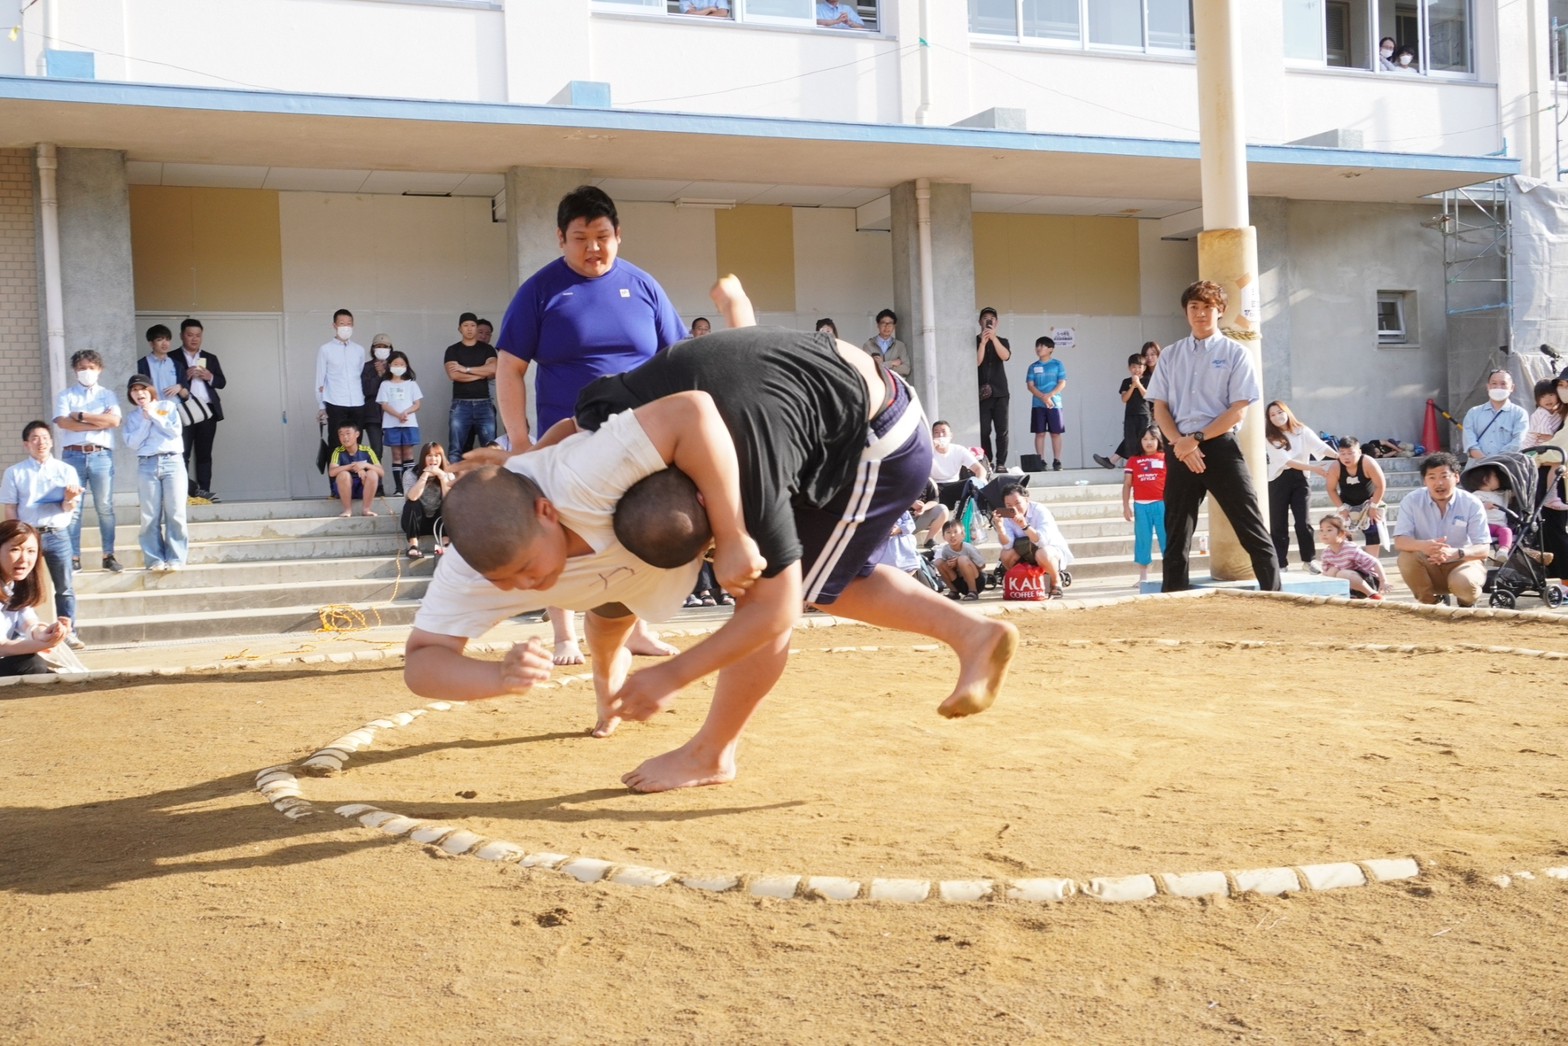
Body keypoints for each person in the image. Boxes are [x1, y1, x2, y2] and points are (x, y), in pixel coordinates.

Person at [414, 276, 1019, 793]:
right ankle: (972, 633)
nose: (531, 586)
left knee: (785, 589)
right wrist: (497, 676)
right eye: (512, 581)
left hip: (874, 431)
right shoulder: (583, 458)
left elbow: (774, 611)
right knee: (827, 579)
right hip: (778, 390)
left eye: (528, 569)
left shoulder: (740, 461)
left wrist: (678, 657)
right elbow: (577, 422)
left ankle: (712, 752)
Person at [493, 184, 686, 666]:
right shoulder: (540, 290)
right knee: (564, 532)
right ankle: (564, 634)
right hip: (568, 438)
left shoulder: (644, 286)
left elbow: (680, 357)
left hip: (643, 438)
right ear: (561, 238)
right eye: (580, 237)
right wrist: (520, 440)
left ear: (618, 234)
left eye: (602, 236)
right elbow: (509, 368)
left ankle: (637, 628)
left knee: (642, 528)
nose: (593, 248)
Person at [1146, 280, 1280, 593]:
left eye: (1208, 307)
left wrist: (1196, 438)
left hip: (1219, 447)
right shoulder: (1170, 355)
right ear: (1185, 311)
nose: (1201, 313)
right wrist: (1181, 443)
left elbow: (1239, 410)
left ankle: (1275, 596)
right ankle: (1174, 599)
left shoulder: (1236, 353)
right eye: (1194, 307)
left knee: (1251, 527)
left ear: (1220, 311)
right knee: (1176, 532)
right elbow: (1160, 407)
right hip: (1179, 447)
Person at [1, 421, 83, 649]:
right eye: (35, 438)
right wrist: (13, 538)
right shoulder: (15, 472)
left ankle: (68, 631)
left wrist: (68, 498)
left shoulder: (66, 470)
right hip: (26, 537)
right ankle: (22, 631)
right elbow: (10, 508)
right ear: (26, 444)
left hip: (57, 533)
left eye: (45, 438)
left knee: (64, 586)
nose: (41, 442)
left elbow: (70, 508)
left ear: (52, 442)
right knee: (20, 584)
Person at [53, 349, 122, 574]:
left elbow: (114, 421)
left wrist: (81, 416)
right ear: (75, 371)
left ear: (99, 370)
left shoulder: (107, 394)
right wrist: (97, 421)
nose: (86, 372)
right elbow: (64, 423)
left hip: (101, 454)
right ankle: (73, 557)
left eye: (91, 368)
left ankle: (108, 555)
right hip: (73, 455)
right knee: (73, 508)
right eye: (82, 368)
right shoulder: (66, 395)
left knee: (105, 507)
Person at [1393, 452, 1490, 606]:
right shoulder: (1411, 501)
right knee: (1406, 558)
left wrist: (1456, 553)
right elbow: (1400, 541)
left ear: (1456, 477)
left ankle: (1466, 604)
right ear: (1424, 480)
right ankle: (1430, 604)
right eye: (1432, 477)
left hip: (1463, 562)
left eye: (1444, 476)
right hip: (1429, 563)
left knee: (1465, 584)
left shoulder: (1472, 503)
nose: (1439, 483)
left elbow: (1484, 549)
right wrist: (1424, 546)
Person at [122, 374, 188, 572]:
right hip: (147, 464)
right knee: (149, 515)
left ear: (151, 390)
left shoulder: (167, 407)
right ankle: (154, 559)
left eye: (142, 388)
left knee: (175, 512)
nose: (139, 393)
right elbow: (132, 443)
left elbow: (174, 431)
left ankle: (176, 558)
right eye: (134, 390)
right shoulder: (133, 417)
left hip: (172, 462)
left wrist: (154, 416)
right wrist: (144, 421)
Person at [1264, 400, 1333, 573]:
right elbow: (1287, 461)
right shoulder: (1269, 436)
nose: (1277, 417)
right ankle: (1281, 563)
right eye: (1272, 415)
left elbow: (1321, 447)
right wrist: (1313, 468)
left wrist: (1342, 456)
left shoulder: (1301, 430)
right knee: (1278, 524)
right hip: (1278, 480)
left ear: (1287, 411)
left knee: (1303, 522)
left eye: (1279, 412)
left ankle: (1309, 560)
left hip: (1300, 480)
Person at [0, 520, 73, 677]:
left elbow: (29, 623)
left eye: (31, 551)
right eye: (15, 549)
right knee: (32, 664)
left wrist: (47, 633)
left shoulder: (14, 585)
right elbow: (2, 647)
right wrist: (44, 644)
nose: (24, 559)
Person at [171, 319, 225, 502]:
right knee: (182, 453)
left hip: (207, 410)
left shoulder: (210, 357)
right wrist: (185, 376)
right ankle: (184, 493)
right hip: (183, 410)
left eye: (198, 335)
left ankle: (205, 492)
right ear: (181, 336)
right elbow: (168, 384)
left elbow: (222, 382)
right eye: (189, 335)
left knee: (204, 454)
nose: (194, 339)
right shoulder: (172, 357)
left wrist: (209, 376)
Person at [993, 482, 1071, 598]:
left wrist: (1025, 526)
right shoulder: (1007, 516)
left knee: (1043, 553)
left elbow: (1043, 541)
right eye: (1008, 505)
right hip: (1023, 550)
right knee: (1005, 554)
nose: (1013, 508)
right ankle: (1020, 580)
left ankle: (1056, 581)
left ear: (1026, 499)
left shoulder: (1039, 510)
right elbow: (1007, 545)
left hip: (1049, 550)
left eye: (1017, 503)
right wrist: (1000, 529)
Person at [443, 312, 498, 462]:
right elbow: (454, 375)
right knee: (456, 449)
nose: (469, 329)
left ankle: (490, 483)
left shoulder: (487, 349)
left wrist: (466, 369)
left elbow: (493, 369)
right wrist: (481, 374)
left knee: (490, 448)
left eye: (473, 325)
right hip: (460, 404)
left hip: (484, 403)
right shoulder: (452, 350)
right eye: (466, 325)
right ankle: (453, 484)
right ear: (460, 328)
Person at [1323, 436, 1388, 557]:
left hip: (1369, 501)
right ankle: (1348, 561)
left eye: (1350, 453)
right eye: (1342, 453)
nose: (1346, 457)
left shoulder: (1368, 463)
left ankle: (1372, 565)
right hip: (1346, 503)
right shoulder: (1335, 467)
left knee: (1373, 529)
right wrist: (1342, 509)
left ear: (1359, 452)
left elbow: (1381, 485)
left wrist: (1374, 506)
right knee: (1343, 533)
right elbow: (1331, 489)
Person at [1121, 426, 1167, 586]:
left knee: (1166, 539)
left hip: (1162, 504)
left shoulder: (1165, 457)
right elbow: (1127, 484)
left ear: (1159, 440)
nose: (1148, 442)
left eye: (1152, 439)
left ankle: (1170, 574)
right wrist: (1126, 506)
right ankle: (1143, 577)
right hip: (1141, 506)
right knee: (1142, 540)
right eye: (1145, 439)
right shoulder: (1133, 460)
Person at [1094, 352, 1153, 470]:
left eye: (1139, 367)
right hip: (1130, 415)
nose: (1137, 370)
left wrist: (1138, 384)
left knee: (1144, 438)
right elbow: (1124, 399)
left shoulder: (1148, 380)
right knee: (1130, 438)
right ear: (1129, 368)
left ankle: (1118, 461)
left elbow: (1148, 396)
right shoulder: (1126, 382)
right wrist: (1132, 386)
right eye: (1134, 367)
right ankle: (1128, 463)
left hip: (1144, 415)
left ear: (1144, 367)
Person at [315, 309, 367, 445]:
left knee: (356, 443)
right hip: (335, 402)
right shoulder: (325, 349)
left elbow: (359, 374)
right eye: (342, 323)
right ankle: (336, 467)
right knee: (336, 441)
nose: (346, 327)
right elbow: (320, 379)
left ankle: (354, 467)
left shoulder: (359, 350)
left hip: (357, 402)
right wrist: (321, 406)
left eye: (349, 324)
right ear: (334, 326)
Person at [376, 351, 423, 495]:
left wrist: (406, 413)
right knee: (396, 455)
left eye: (402, 364)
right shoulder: (385, 384)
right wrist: (397, 415)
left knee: (408, 454)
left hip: (409, 423)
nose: (399, 367)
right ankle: (399, 488)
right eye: (396, 364)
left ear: (406, 366)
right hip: (391, 424)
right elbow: (384, 405)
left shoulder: (411, 384)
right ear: (389, 365)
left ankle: (410, 486)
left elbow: (417, 404)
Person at [928, 419, 987, 525]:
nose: (940, 435)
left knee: (972, 483)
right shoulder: (927, 451)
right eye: (936, 433)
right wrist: (929, 448)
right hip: (936, 488)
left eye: (943, 432)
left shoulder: (958, 450)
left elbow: (979, 469)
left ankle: (967, 519)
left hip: (954, 486)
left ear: (951, 435)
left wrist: (980, 481)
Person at [1461, 369, 1528, 461]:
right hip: (1477, 468)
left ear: (1512, 387)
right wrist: (1486, 462)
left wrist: (1496, 463)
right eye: (1494, 383)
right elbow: (1470, 444)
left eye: (1503, 384)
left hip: (1507, 467)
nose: (1498, 387)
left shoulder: (1520, 413)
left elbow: (1518, 442)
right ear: (1488, 387)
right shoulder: (1473, 413)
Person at [401, 441, 452, 559]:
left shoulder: (448, 474)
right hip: (416, 522)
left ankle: (445, 543)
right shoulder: (410, 474)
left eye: (436, 455)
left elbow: (450, 499)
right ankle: (413, 546)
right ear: (423, 457)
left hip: (439, 522)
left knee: (449, 504)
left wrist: (442, 476)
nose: (433, 459)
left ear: (441, 458)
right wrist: (424, 476)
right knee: (412, 503)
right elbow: (412, 497)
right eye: (429, 455)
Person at [975, 307, 1011, 470]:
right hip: (982, 394)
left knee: (1002, 430)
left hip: (1000, 392)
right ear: (979, 322)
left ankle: (1001, 462)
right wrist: (983, 342)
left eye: (992, 319)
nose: (988, 321)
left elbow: (1005, 356)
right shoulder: (974, 340)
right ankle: (987, 461)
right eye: (985, 318)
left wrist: (993, 338)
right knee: (984, 430)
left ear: (996, 322)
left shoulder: (1002, 340)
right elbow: (977, 362)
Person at [1316, 515, 1386, 599]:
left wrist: (1383, 581)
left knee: (1342, 573)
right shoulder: (1326, 553)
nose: (1324, 534)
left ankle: (1372, 594)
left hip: (1368, 581)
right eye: (1321, 530)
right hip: (1349, 584)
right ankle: (1341, 594)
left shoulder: (1350, 548)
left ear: (1341, 533)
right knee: (1331, 570)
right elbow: (1326, 574)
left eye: (1329, 530)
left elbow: (1374, 562)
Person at [1025, 335, 1066, 470]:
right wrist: (1043, 397)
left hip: (1055, 404)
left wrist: (1050, 396)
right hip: (1038, 404)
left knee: (1055, 433)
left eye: (1042, 346)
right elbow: (1030, 385)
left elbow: (1062, 383)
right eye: (1037, 346)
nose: (1038, 348)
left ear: (1050, 349)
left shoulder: (1058, 364)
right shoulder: (1033, 366)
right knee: (1040, 433)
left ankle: (1057, 460)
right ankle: (1040, 460)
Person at [327, 422, 383, 518]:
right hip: (344, 488)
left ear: (357, 434)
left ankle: (366, 509)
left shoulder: (367, 450)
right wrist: (353, 466)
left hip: (363, 488)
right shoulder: (338, 451)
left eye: (348, 433)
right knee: (343, 474)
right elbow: (332, 472)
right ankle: (347, 510)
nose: (345, 437)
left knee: (372, 473)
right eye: (341, 434)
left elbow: (381, 472)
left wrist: (365, 465)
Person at [359, 334, 393, 468]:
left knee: (400, 451)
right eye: (378, 346)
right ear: (373, 349)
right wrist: (379, 376)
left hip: (393, 413)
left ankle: (400, 485)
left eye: (385, 347)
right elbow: (367, 390)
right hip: (372, 414)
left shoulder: (396, 365)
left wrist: (385, 373)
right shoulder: (366, 367)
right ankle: (376, 485)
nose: (381, 349)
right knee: (376, 450)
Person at [933, 518, 985, 601]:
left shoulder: (968, 548)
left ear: (963, 535)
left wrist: (960, 563)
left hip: (976, 581)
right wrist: (950, 565)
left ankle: (973, 591)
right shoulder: (946, 550)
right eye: (948, 532)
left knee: (962, 559)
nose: (952, 535)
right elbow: (949, 570)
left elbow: (982, 565)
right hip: (960, 582)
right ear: (943, 537)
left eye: (955, 532)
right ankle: (954, 591)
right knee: (938, 562)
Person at [861, 309, 910, 378]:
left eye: (890, 323)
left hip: (894, 385)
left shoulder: (900, 346)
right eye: (883, 323)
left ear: (894, 326)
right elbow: (867, 368)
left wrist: (881, 365)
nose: (887, 327)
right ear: (878, 325)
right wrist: (892, 363)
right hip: (877, 384)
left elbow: (906, 369)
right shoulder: (868, 345)